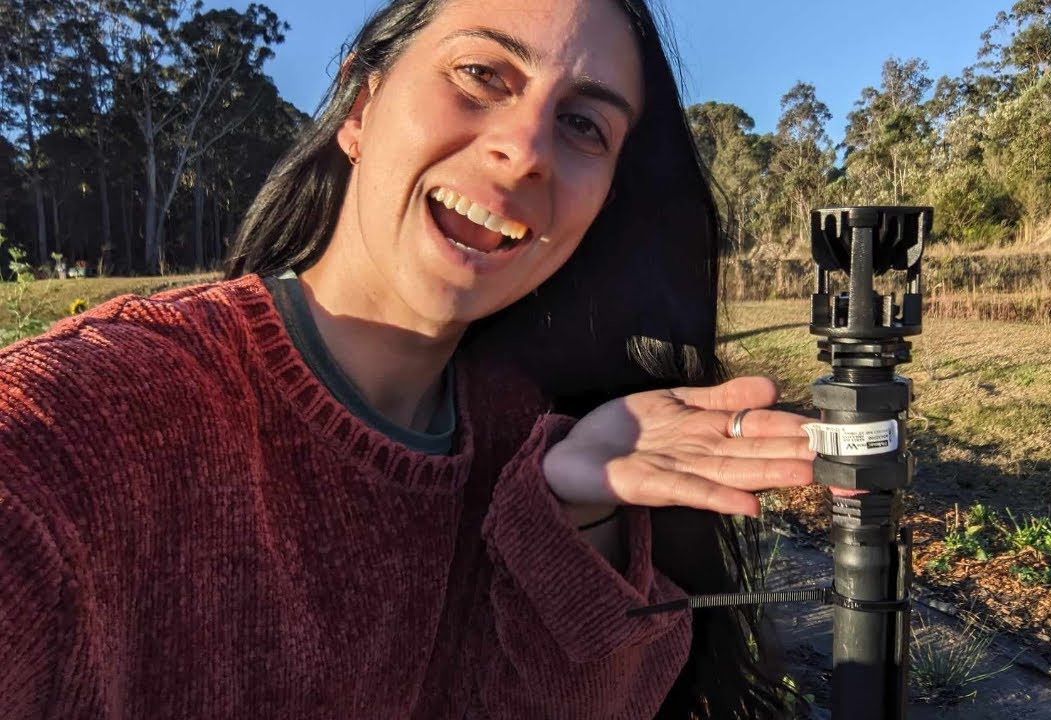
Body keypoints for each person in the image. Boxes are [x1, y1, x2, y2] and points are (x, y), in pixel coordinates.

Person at [0, 0, 817, 717]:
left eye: (583, 124)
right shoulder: (89, 420)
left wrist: (581, 522)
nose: (526, 149)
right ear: (360, 105)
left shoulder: (527, 434)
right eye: (480, 73)